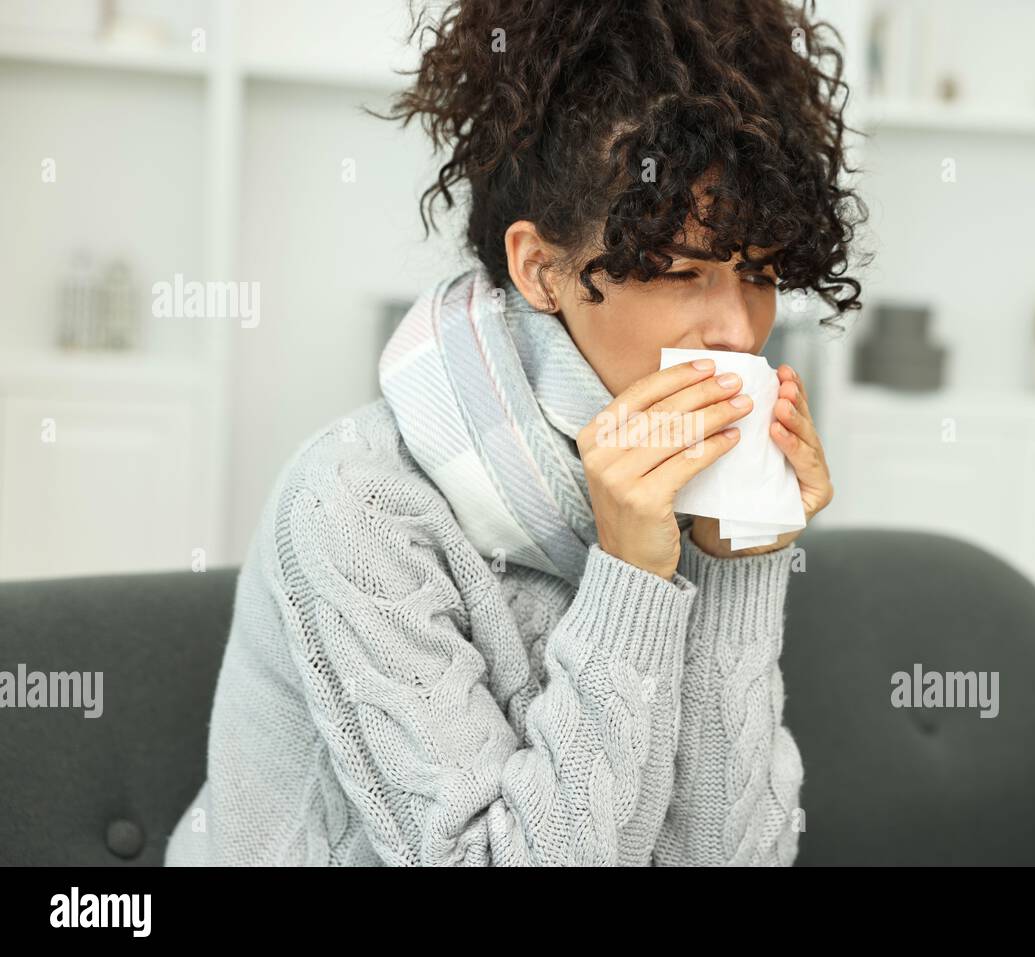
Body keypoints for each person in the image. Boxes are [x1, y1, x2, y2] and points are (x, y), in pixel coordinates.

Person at [165, 0, 865, 866]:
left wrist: (738, 559)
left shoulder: (680, 480)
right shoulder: (356, 504)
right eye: (682, 271)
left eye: (758, 275)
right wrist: (630, 581)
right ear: (541, 270)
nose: (735, 328)